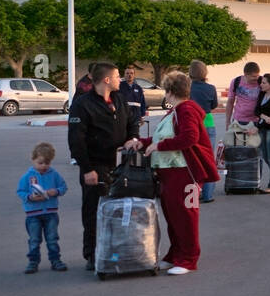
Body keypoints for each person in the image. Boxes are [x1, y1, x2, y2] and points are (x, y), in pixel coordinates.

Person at [67, 62, 142, 272]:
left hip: (119, 164)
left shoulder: (119, 99)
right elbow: (76, 140)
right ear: (107, 80)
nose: (121, 79)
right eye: (117, 76)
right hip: (95, 166)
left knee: (120, 211)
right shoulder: (82, 104)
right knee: (93, 212)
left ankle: (117, 250)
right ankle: (92, 254)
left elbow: (132, 120)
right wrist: (87, 168)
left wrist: (132, 138)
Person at [142, 72, 218, 275]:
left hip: (185, 172)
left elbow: (189, 138)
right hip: (171, 172)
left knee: (185, 217)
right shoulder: (177, 111)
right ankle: (176, 254)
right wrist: (140, 142)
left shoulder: (186, 111)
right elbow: (161, 137)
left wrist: (158, 146)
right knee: (173, 216)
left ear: (170, 92)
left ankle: (189, 258)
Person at [17, 141, 69, 274]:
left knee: (52, 238)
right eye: (40, 163)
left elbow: (63, 187)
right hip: (33, 214)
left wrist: (56, 191)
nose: (44, 166)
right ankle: (33, 262)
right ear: (33, 160)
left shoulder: (54, 174)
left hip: (51, 213)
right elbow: (20, 191)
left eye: (47, 163)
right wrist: (29, 197)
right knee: (34, 239)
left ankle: (55, 260)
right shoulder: (27, 176)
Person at [188, 60, 219, 202]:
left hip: (191, 124)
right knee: (208, 159)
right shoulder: (211, 88)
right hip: (208, 123)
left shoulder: (187, 88)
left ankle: (193, 193)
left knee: (191, 159)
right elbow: (214, 105)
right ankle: (208, 195)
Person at [224, 61, 264, 147]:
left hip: (257, 122)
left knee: (256, 149)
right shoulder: (236, 82)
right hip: (239, 121)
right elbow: (230, 102)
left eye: (257, 75)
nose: (256, 78)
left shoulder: (262, 80)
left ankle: (257, 161)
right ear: (245, 74)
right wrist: (227, 122)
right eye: (253, 76)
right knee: (240, 149)